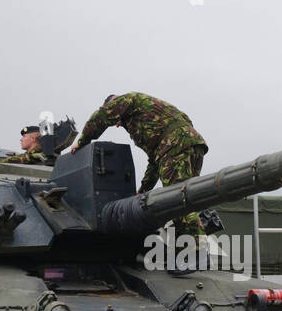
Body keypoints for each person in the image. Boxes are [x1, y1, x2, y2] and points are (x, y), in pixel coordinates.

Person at [69, 92, 209, 236]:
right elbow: (154, 163)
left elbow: (101, 116)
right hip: (193, 145)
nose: (117, 124)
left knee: (178, 200)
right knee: (188, 198)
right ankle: (194, 246)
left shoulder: (126, 100)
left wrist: (82, 142)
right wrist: (142, 192)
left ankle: (196, 252)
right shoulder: (145, 115)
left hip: (175, 145)